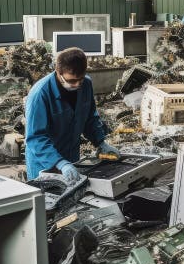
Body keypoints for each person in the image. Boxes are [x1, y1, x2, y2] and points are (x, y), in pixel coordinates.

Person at [25, 48, 120, 181]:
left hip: (72, 158)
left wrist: (101, 143)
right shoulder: (40, 94)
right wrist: (59, 163)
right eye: (71, 81)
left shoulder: (86, 84)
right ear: (58, 72)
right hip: (44, 163)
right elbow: (36, 138)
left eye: (80, 79)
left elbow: (90, 119)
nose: (77, 85)